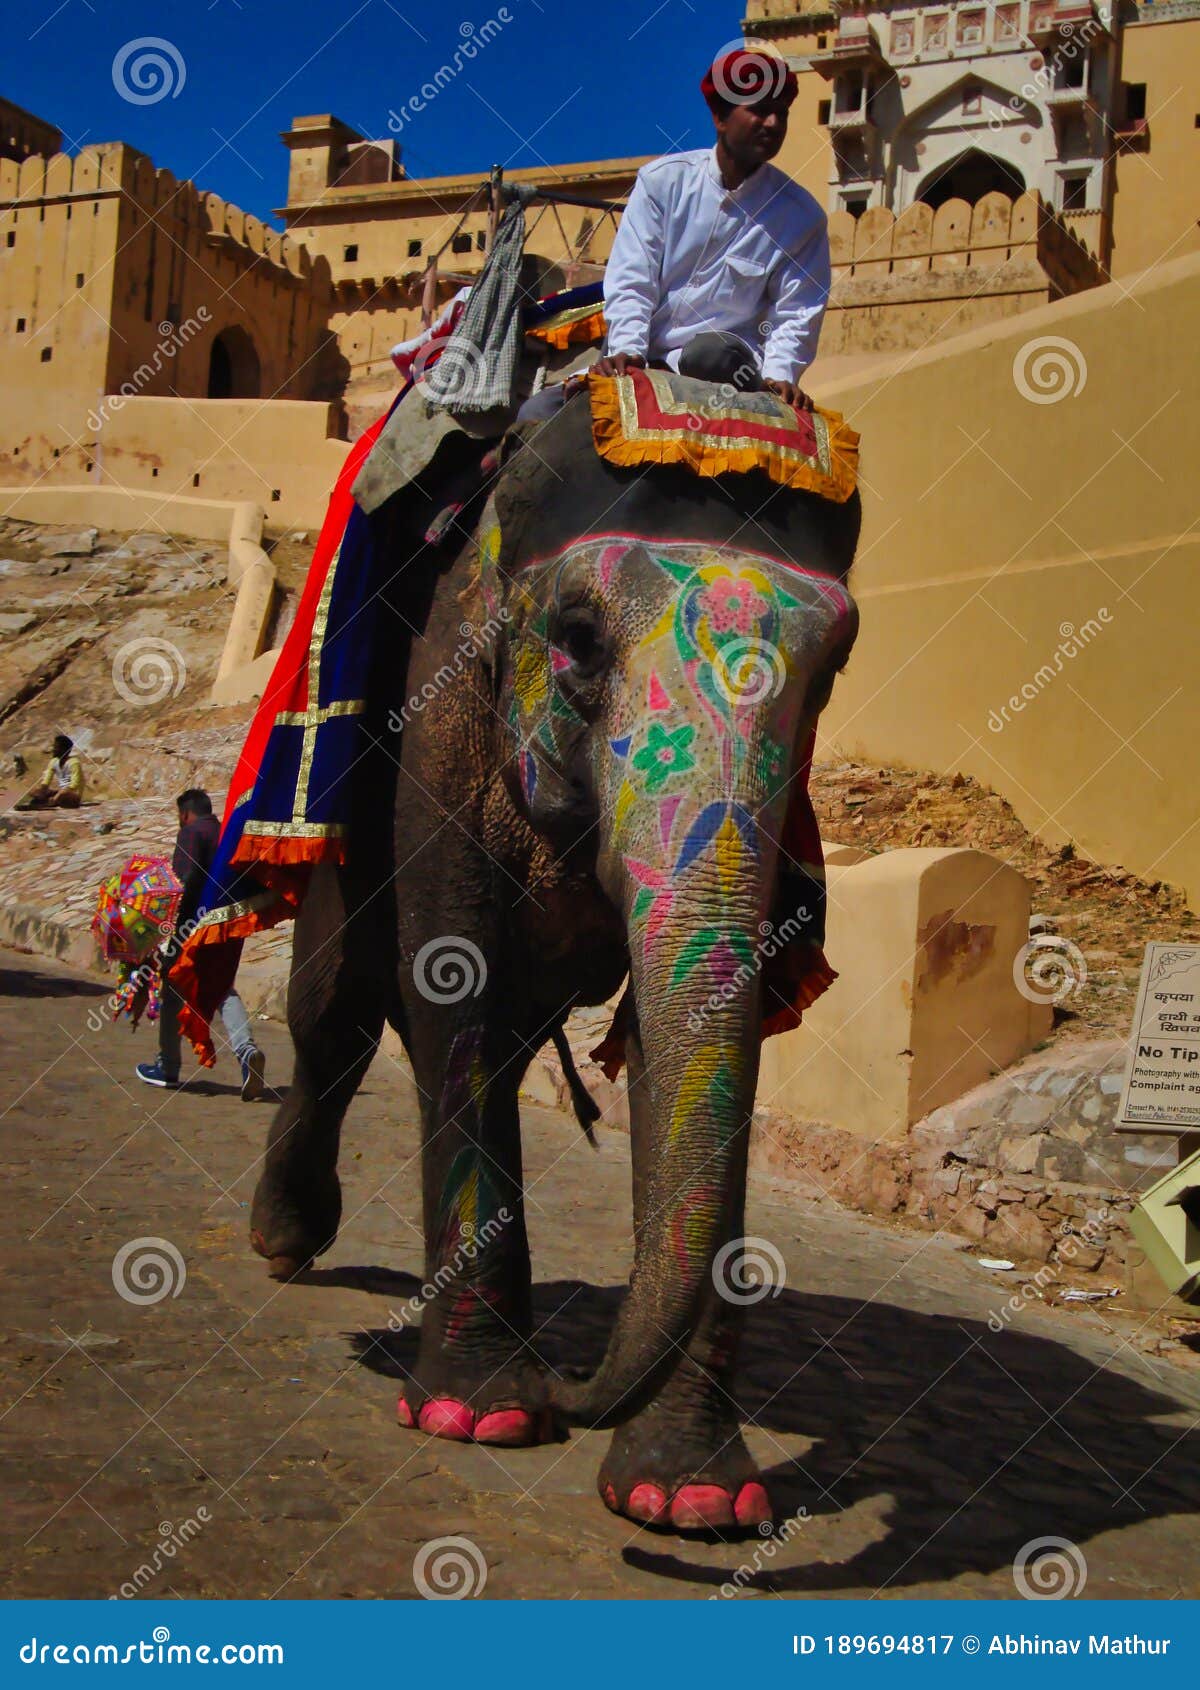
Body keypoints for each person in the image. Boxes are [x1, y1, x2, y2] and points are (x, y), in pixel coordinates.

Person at [518, 48, 830, 423]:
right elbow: (634, 279)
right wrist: (628, 351)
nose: (773, 123)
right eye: (760, 110)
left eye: (782, 113)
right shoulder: (662, 183)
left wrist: (780, 375)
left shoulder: (802, 217)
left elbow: (796, 313)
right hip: (644, 359)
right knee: (536, 414)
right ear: (719, 116)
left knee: (708, 353)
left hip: (725, 369)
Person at [136, 788, 266, 1099]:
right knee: (223, 988)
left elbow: (186, 879)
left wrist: (173, 928)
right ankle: (247, 1053)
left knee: (172, 988)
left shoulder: (191, 834)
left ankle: (167, 1066)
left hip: (194, 925)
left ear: (184, 814)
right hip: (228, 924)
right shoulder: (226, 833)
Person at [16, 734, 84, 809]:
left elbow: (74, 785)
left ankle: (48, 803)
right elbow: (46, 782)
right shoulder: (53, 762)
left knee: (63, 794)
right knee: (34, 791)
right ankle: (48, 802)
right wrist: (40, 792)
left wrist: (57, 796)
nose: (53, 749)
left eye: (56, 747)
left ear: (63, 750)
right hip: (60, 793)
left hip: (72, 795)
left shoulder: (74, 763)